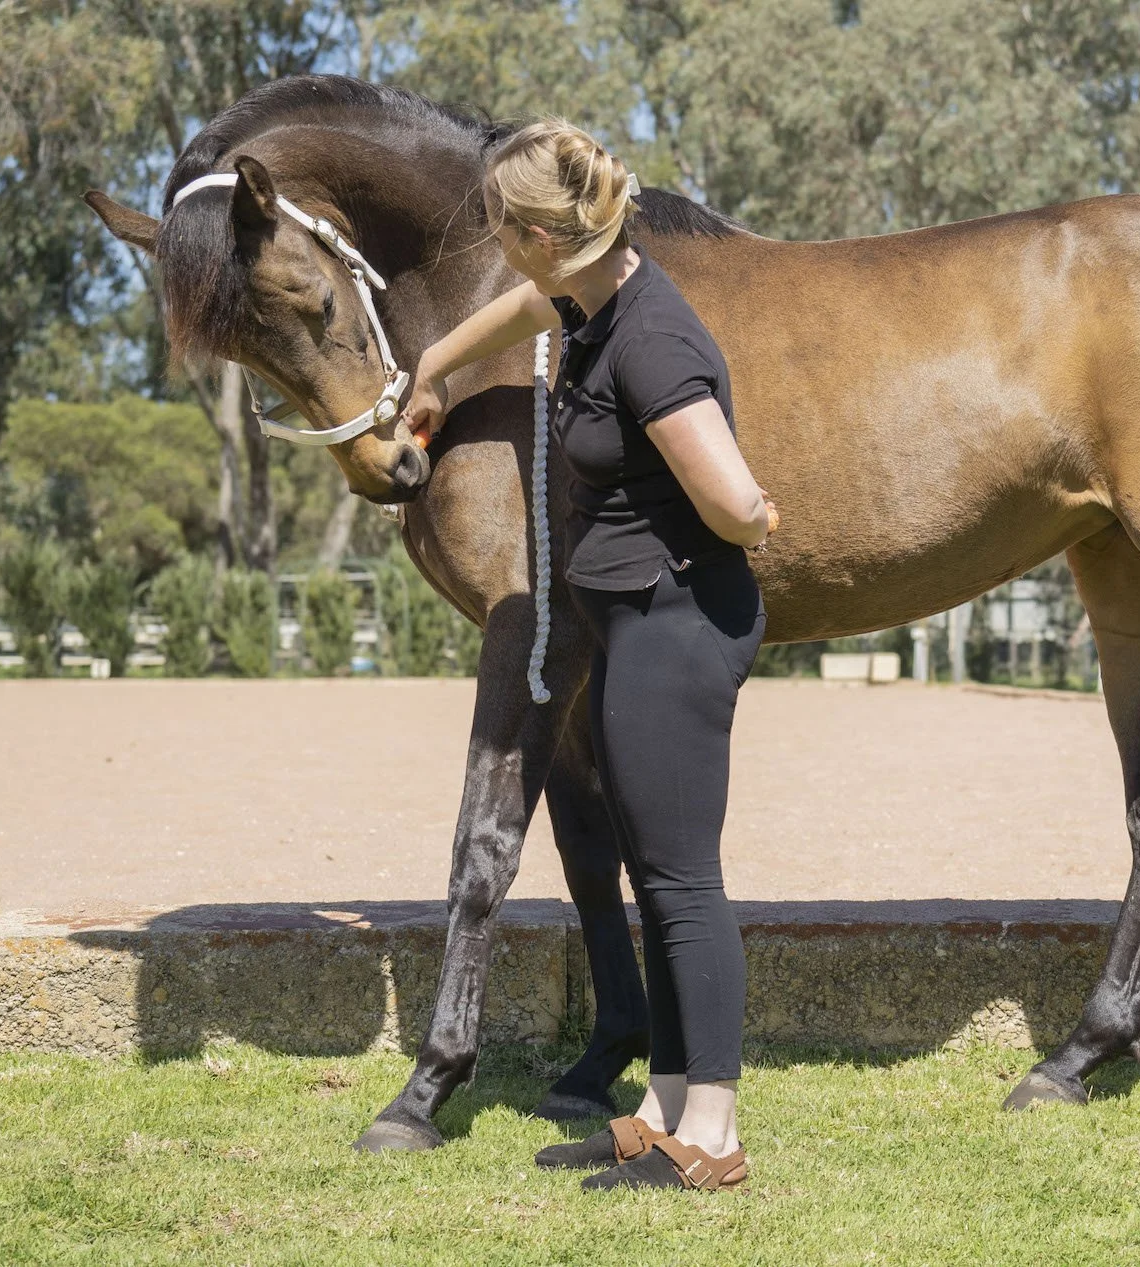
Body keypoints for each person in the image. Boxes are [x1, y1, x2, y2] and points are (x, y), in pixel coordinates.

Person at [404, 119, 775, 1193]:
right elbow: (526, 307)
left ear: (531, 230)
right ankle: (660, 1105)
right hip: (633, 618)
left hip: (678, 620)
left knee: (682, 880)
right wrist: (433, 361)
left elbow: (730, 490)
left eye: (495, 226)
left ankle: (710, 1133)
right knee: (652, 878)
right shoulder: (591, 294)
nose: (492, 246)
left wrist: (754, 517)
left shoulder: (651, 337)